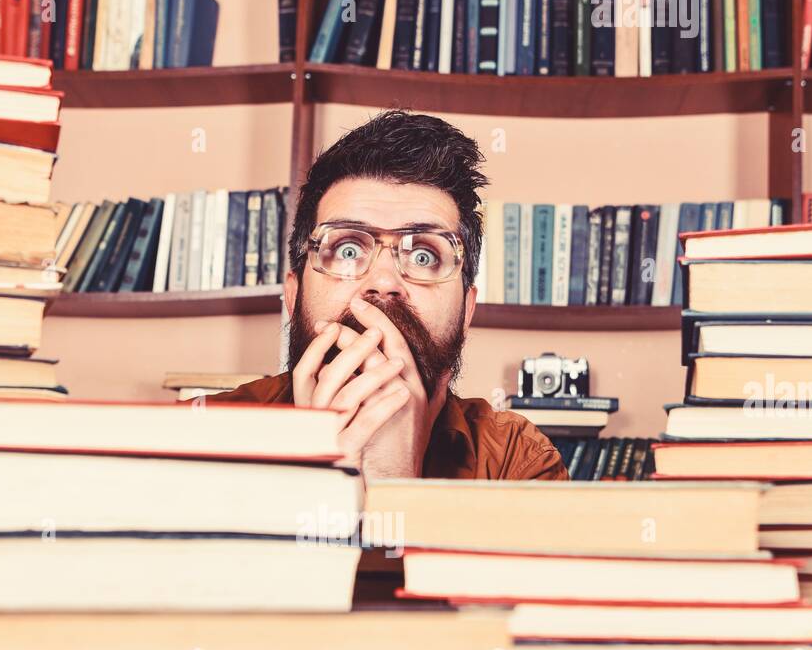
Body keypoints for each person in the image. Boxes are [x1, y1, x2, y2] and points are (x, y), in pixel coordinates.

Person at [211, 110, 569, 484]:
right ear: (293, 294)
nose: (383, 282)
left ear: (467, 310)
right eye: (348, 250)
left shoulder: (518, 462)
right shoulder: (195, 439)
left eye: (424, 256)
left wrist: (391, 481)